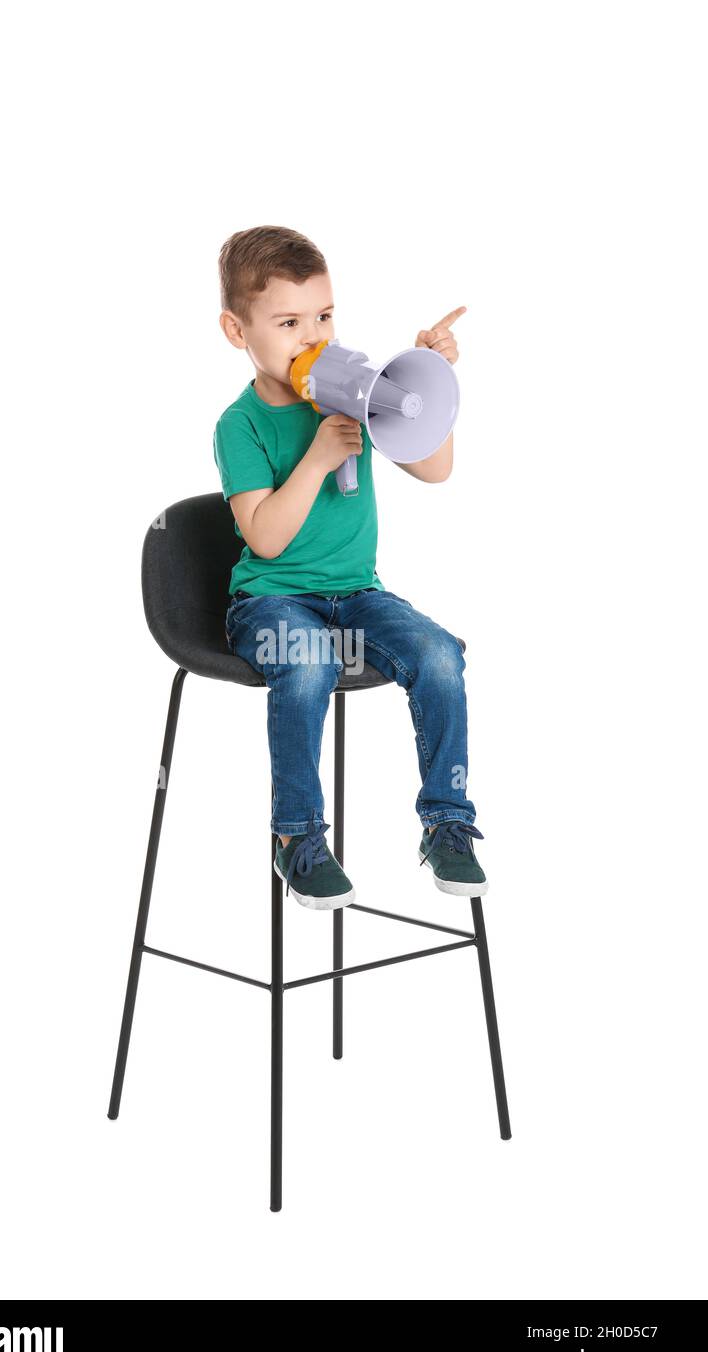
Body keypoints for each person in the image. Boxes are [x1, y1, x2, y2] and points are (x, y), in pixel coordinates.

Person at [213, 225, 487, 910]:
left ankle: (447, 823)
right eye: (288, 322)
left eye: (325, 317)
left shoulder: (353, 396)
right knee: (307, 660)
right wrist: (315, 459)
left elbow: (436, 467)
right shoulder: (239, 426)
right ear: (236, 330)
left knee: (440, 655)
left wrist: (429, 382)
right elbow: (266, 540)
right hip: (271, 603)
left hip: (357, 595)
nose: (313, 338)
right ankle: (297, 837)